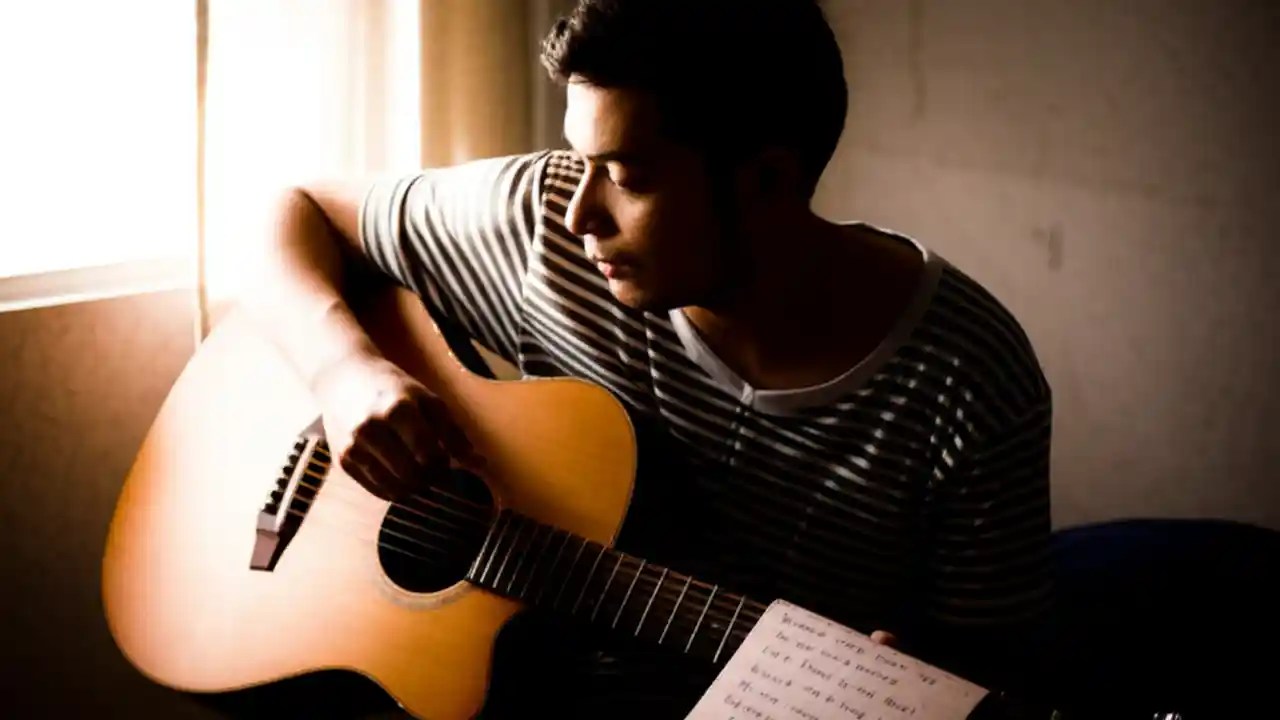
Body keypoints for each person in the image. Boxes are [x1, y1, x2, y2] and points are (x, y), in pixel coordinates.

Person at [243, 0, 1056, 717]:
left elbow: (991, 664)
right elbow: (288, 210)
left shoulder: (968, 379)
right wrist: (343, 371)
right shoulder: (540, 231)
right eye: (578, 159)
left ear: (767, 181)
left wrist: (918, 683)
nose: (576, 212)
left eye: (626, 176)